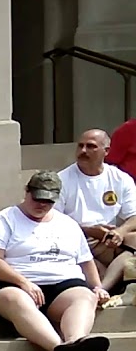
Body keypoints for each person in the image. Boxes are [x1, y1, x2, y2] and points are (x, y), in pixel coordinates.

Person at [0, 171, 111, 351]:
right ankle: (60, 349)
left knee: (85, 297)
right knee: (17, 299)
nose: (41, 205)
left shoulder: (68, 224)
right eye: (37, 199)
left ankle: (76, 342)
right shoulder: (4, 219)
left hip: (62, 283)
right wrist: (23, 282)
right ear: (27, 192)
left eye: (48, 201)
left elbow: (86, 261)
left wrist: (97, 286)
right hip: (8, 283)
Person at [55, 128, 136, 300]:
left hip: (110, 240)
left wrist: (119, 232)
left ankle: (102, 288)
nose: (83, 151)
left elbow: (134, 216)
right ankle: (104, 287)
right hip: (77, 240)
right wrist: (89, 231)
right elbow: (52, 221)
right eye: (80, 146)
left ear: (106, 151)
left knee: (134, 239)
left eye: (90, 146)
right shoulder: (62, 180)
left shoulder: (120, 178)